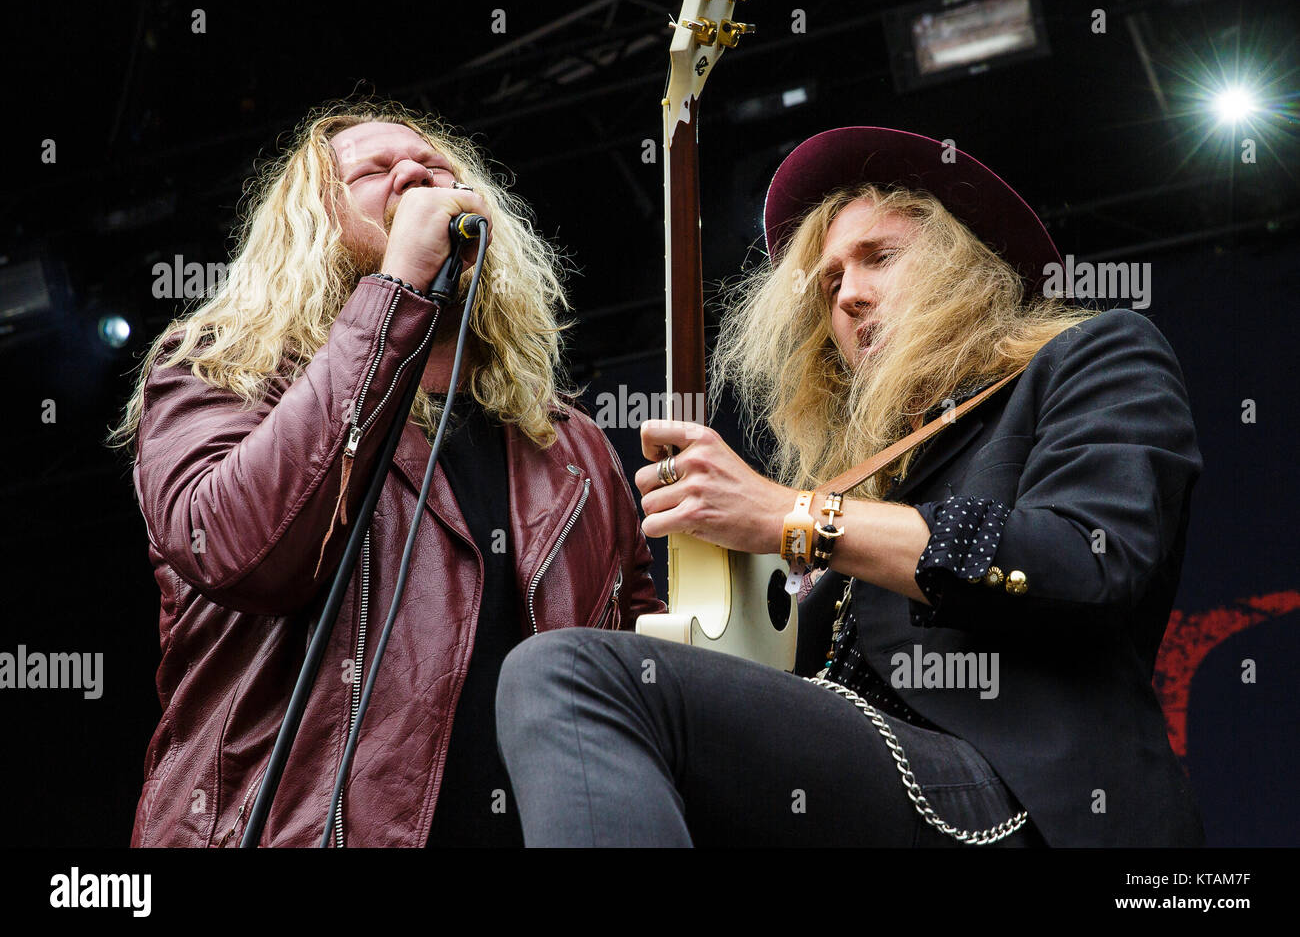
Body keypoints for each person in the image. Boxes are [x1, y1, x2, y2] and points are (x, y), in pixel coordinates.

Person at [494, 127, 1204, 847]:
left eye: (879, 259)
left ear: (970, 270)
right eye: (830, 282)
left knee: (570, 673)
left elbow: (1087, 561)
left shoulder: (1096, 355)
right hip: (866, 794)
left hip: (1027, 802)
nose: (851, 296)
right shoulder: (863, 482)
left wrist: (792, 516)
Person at [107, 99, 663, 847]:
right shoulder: (219, 373)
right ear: (311, 225)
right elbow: (236, 546)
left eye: (436, 167)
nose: (415, 173)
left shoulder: (574, 448)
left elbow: (635, 667)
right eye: (375, 170)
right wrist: (398, 285)